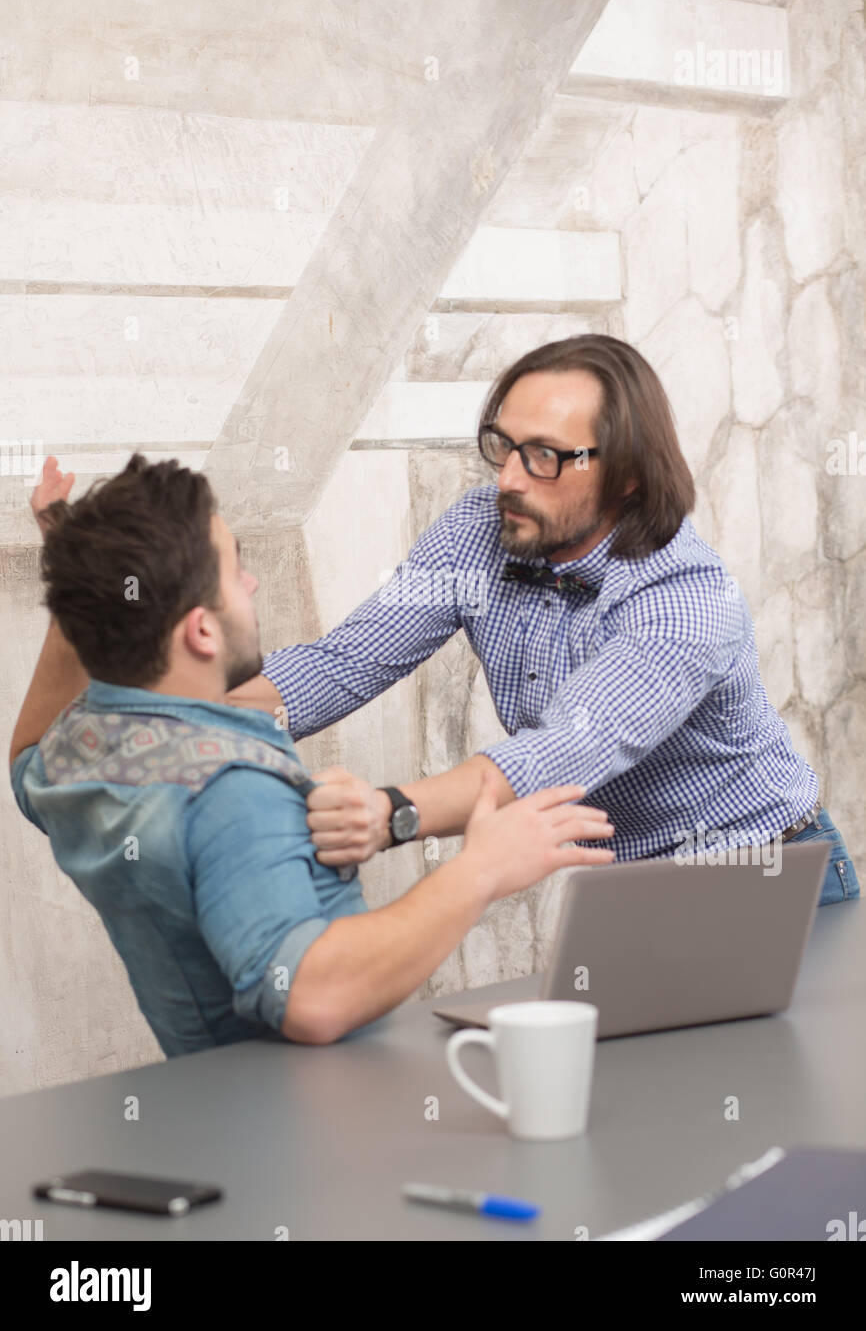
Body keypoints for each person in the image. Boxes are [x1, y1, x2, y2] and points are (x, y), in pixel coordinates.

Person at [8, 454, 615, 1057]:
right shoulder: (230, 791)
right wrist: (479, 871)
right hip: (311, 1130)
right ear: (201, 632)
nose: (251, 583)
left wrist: (84, 574)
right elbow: (309, 998)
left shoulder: (76, 754)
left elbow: (26, 750)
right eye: (235, 570)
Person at [229, 334, 859, 907]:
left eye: (545, 457)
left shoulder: (686, 598)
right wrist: (177, 714)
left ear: (629, 476)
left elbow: (562, 752)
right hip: (633, 883)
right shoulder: (477, 531)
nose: (507, 479)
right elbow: (341, 663)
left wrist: (390, 811)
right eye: (503, 446)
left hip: (768, 874)